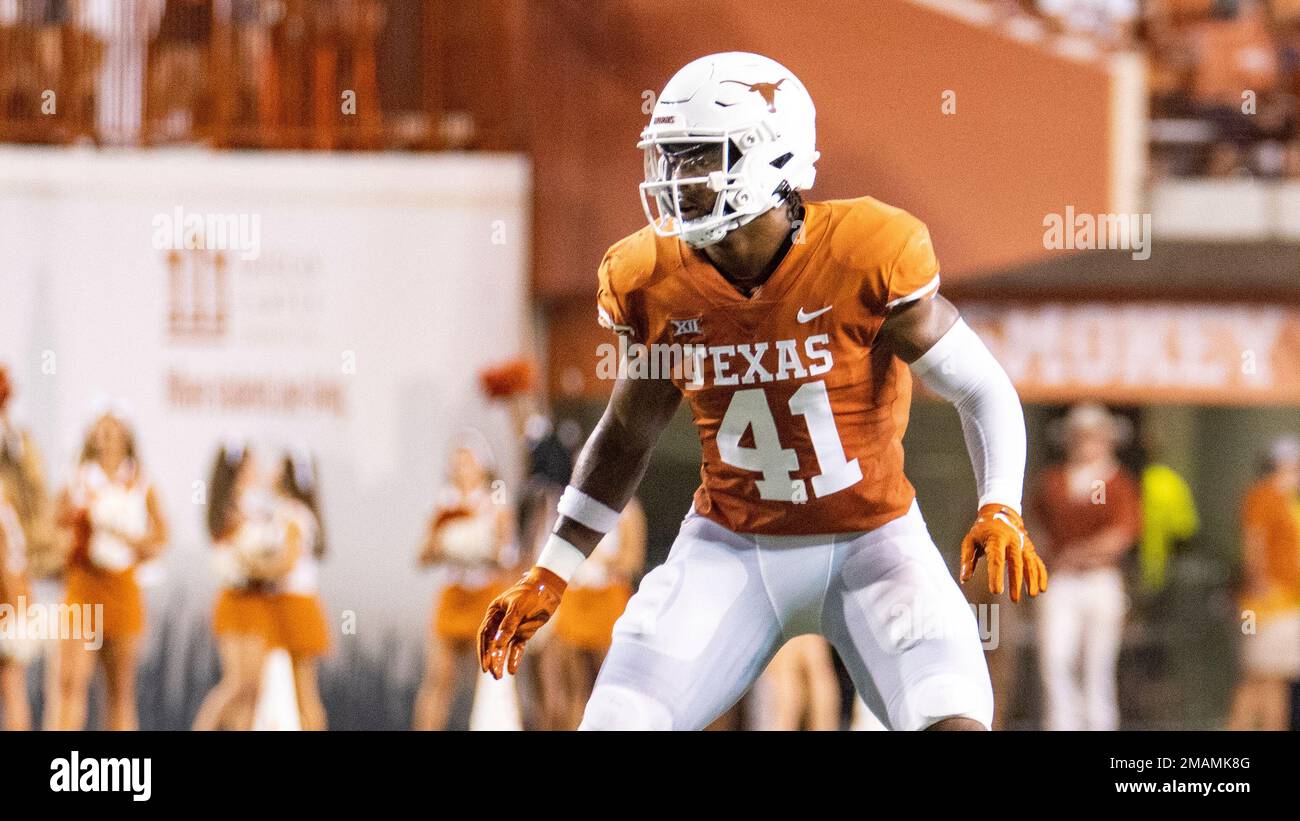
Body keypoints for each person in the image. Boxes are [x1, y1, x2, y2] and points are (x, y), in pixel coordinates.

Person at [478, 52, 1046, 731]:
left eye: (698, 157)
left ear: (770, 158)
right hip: (732, 545)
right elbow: (627, 431)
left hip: (874, 541)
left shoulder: (863, 252)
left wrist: (1001, 505)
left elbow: (980, 387)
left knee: (951, 719)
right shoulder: (654, 278)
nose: (675, 178)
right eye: (669, 158)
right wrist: (554, 567)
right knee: (620, 718)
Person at [53, 405, 168, 730]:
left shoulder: (141, 483)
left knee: (119, 688)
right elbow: (56, 529)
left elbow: (159, 537)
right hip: (84, 586)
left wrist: (128, 539)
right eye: (100, 431)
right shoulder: (76, 480)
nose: (106, 439)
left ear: (126, 438)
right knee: (71, 679)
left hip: (122, 588)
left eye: (113, 432)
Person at [1029, 403, 1141, 731]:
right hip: (1060, 581)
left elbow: (1121, 534)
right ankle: (1062, 724)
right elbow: (1035, 528)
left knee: (1098, 665)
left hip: (1100, 580)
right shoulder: (1052, 481)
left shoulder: (1118, 482)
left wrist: (1080, 553)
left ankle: (1099, 725)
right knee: (1055, 659)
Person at [413, 436, 513, 731]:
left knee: (491, 681)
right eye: (457, 462)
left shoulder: (495, 503)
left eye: (467, 462)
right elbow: (424, 555)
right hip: (454, 592)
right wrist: (446, 545)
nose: (461, 468)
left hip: (486, 594)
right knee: (438, 678)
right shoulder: (445, 504)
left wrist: (480, 547)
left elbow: (505, 554)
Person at [193, 441, 287, 731]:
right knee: (237, 682)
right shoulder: (228, 509)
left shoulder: (260, 507)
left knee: (254, 688)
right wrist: (265, 565)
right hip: (236, 599)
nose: (256, 470)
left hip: (260, 601)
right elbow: (235, 559)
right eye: (251, 465)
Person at [542, 497, 645, 729]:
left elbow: (632, 561)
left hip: (608, 599)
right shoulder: (573, 503)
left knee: (608, 685)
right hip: (576, 598)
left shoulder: (628, 509)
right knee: (572, 685)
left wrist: (599, 559)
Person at [1227, 437, 1300, 730]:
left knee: (1278, 677)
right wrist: (1259, 581)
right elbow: (1253, 540)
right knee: (1257, 674)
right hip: (1264, 603)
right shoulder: (1264, 495)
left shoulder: (1289, 499)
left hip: (1289, 600)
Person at [269, 449, 330, 731]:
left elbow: (287, 562)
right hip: (289, 605)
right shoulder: (292, 512)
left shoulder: (293, 514)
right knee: (293, 690)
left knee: (303, 691)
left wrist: (251, 569)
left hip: (295, 606)